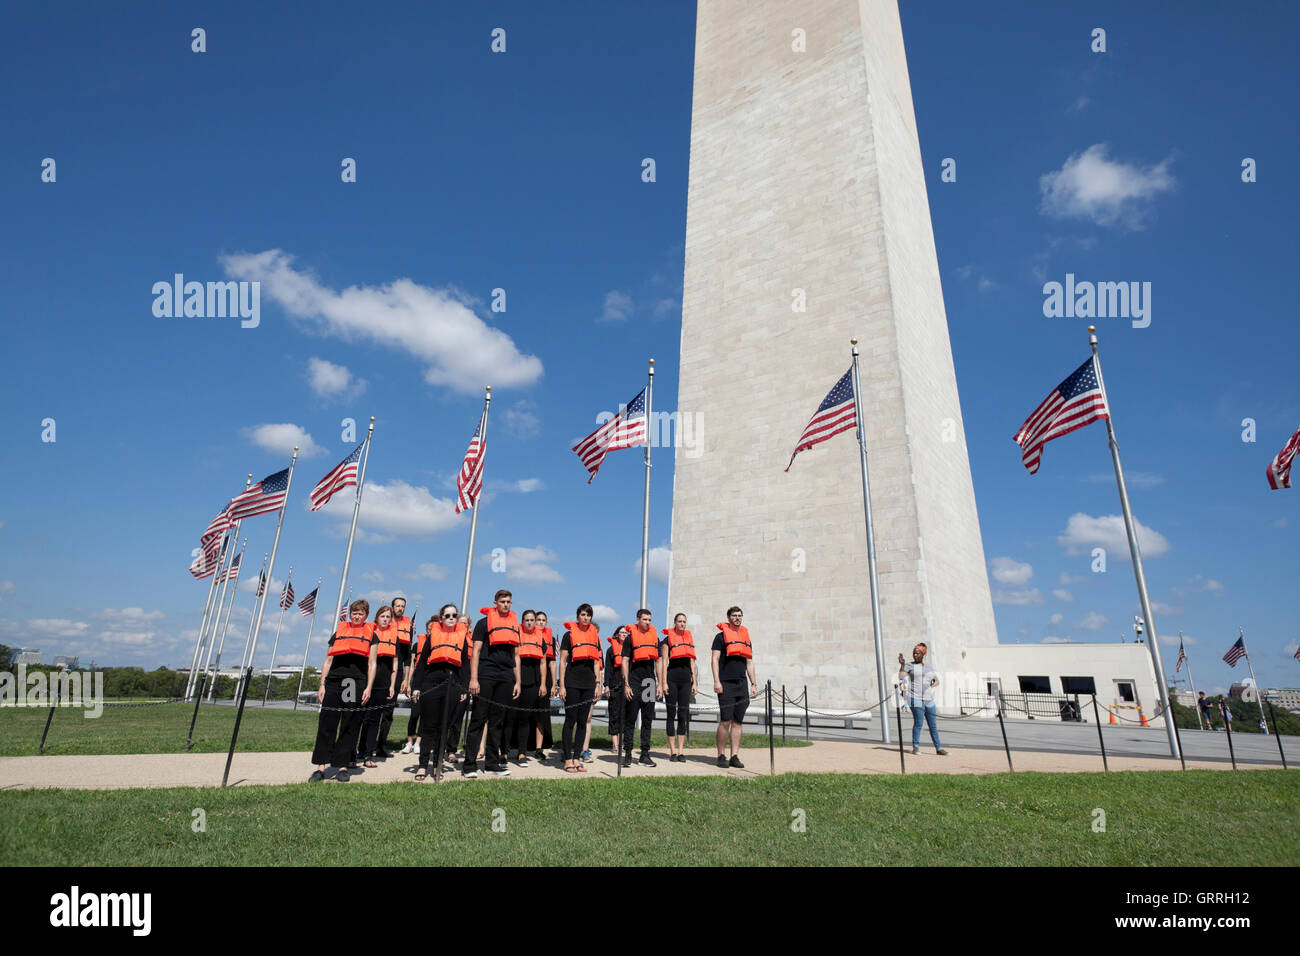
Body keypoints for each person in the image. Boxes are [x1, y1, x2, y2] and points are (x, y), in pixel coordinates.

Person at [310, 599, 378, 782]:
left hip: (353, 682)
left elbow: (372, 663)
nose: (357, 616)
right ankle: (320, 767)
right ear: (350, 614)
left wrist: (368, 687)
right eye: (354, 613)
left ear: (366, 616)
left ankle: (342, 766)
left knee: (349, 723)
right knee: (327, 722)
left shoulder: (371, 634)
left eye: (360, 613)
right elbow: (328, 660)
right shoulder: (339, 632)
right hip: (334, 680)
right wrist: (322, 684)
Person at [461, 590, 522, 778]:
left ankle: (491, 763)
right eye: (503, 601)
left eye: (509, 602)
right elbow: (476, 652)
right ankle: (469, 764)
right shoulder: (483, 623)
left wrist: (518, 681)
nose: (506, 605)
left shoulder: (514, 625)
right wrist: (473, 678)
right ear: (495, 603)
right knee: (479, 719)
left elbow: (516, 655)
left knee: (497, 721)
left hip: (506, 677)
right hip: (486, 674)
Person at [410, 606, 470, 780]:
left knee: (444, 727)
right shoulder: (432, 636)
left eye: (454, 615)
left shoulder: (462, 638)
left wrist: (464, 688)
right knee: (429, 725)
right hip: (432, 683)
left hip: (452, 685)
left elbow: (465, 665)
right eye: (447, 615)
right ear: (441, 618)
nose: (451, 618)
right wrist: (417, 686)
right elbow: (421, 664)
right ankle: (422, 765)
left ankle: (437, 764)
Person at [558, 604, 603, 773]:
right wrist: (561, 685)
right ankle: (567, 759)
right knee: (570, 720)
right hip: (572, 681)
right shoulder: (568, 635)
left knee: (583, 721)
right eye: (583, 615)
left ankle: (577, 758)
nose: (586, 618)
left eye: (588, 615)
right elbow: (562, 661)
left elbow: (597, 662)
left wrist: (598, 684)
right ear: (578, 616)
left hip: (588, 682)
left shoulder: (594, 635)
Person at [711, 606, 757, 769]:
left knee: (738, 722)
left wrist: (753, 684)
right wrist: (717, 681)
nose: (737, 618)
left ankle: (734, 756)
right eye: (734, 615)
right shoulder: (720, 637)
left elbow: (749, 662)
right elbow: (715, 659)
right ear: (728, 617)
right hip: (726, 683)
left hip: (741, 684)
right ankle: (721, 755)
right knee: (725, 721)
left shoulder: (745, 637)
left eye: (739, 615)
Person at [358, 605, 400, 766]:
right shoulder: (369, 632)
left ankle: (369, 754)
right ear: (376, 618)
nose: (385, 619)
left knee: (375, 719)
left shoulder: (393, 637)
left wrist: (392, 685)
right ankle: (358, 751)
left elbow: (395, 664)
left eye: (388, 617)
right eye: (382, 616)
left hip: (383, 681)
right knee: (361, 717)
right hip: (367, 680)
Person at [620, 609, 661, 767]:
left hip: (649, 683)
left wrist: (660, 684)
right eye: (645, 619)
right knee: (630, 720)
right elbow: (624, 661)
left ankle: (645, 755)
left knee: (647, 720)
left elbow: (658, 662)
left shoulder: (654, 637)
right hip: (634, 682)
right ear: (637, 619)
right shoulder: (630, 639)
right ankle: (628, 754)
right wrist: (626, 684)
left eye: (650, 619)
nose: (648, 622)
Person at [510, 609, 547, 765]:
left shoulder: (540, 638)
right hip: (514, 680)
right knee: (509, 717)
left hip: (532, 682)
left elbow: (543, 662)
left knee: (525, 718)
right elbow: (513, 657)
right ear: (522, 621)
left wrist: (543, 684)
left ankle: (522, 753)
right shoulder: (515, 635)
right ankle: (503, 752)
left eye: (532, 620)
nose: (530, 622)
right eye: (527, 620)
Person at [660, 614, 697, 762]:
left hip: (685, 680)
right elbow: (664, 662)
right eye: (679, 621)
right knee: (671, 714)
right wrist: (664, 683)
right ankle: (672, 752)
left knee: (683, 714)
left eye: (684, 622)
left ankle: (681, 751)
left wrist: (695, 681)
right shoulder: (667, 639)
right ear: (674, 623)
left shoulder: (688, 637)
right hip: (672, 679)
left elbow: (692, 662)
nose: (682, 624)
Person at [899, 643, 947, 756]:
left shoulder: (928, 668)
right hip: (915, 698)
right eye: (914, 653)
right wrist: (902, 665)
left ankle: (938, 748)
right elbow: (901, 677)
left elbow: (937, 680)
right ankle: (915, 747)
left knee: (933, 725)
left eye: (918, 653)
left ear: (923, 654)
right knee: (918, 723)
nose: (915, 655)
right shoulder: (909, 666)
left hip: (928, 699)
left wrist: (932, 684)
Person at [532, 611, 557, 759]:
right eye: (538, 620)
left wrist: (554, 684)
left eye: (543, 620)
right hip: (530, 675)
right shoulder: (527, 635)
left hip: (545, 678)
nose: (540, 622)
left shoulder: (551, 639)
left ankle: (538, 748)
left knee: (541, 715)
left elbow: (553, 663)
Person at [604, 626, 629, 761]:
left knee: (624, 715)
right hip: (614, 685)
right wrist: (606, 685)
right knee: (614, 714)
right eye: (622, 632)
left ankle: (622, 744)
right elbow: (607, 669)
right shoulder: (610, 650)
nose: (624, 635)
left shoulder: (630, 649)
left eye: (626, 633)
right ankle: (615, 744)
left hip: (626, 686)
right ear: (617, 635)